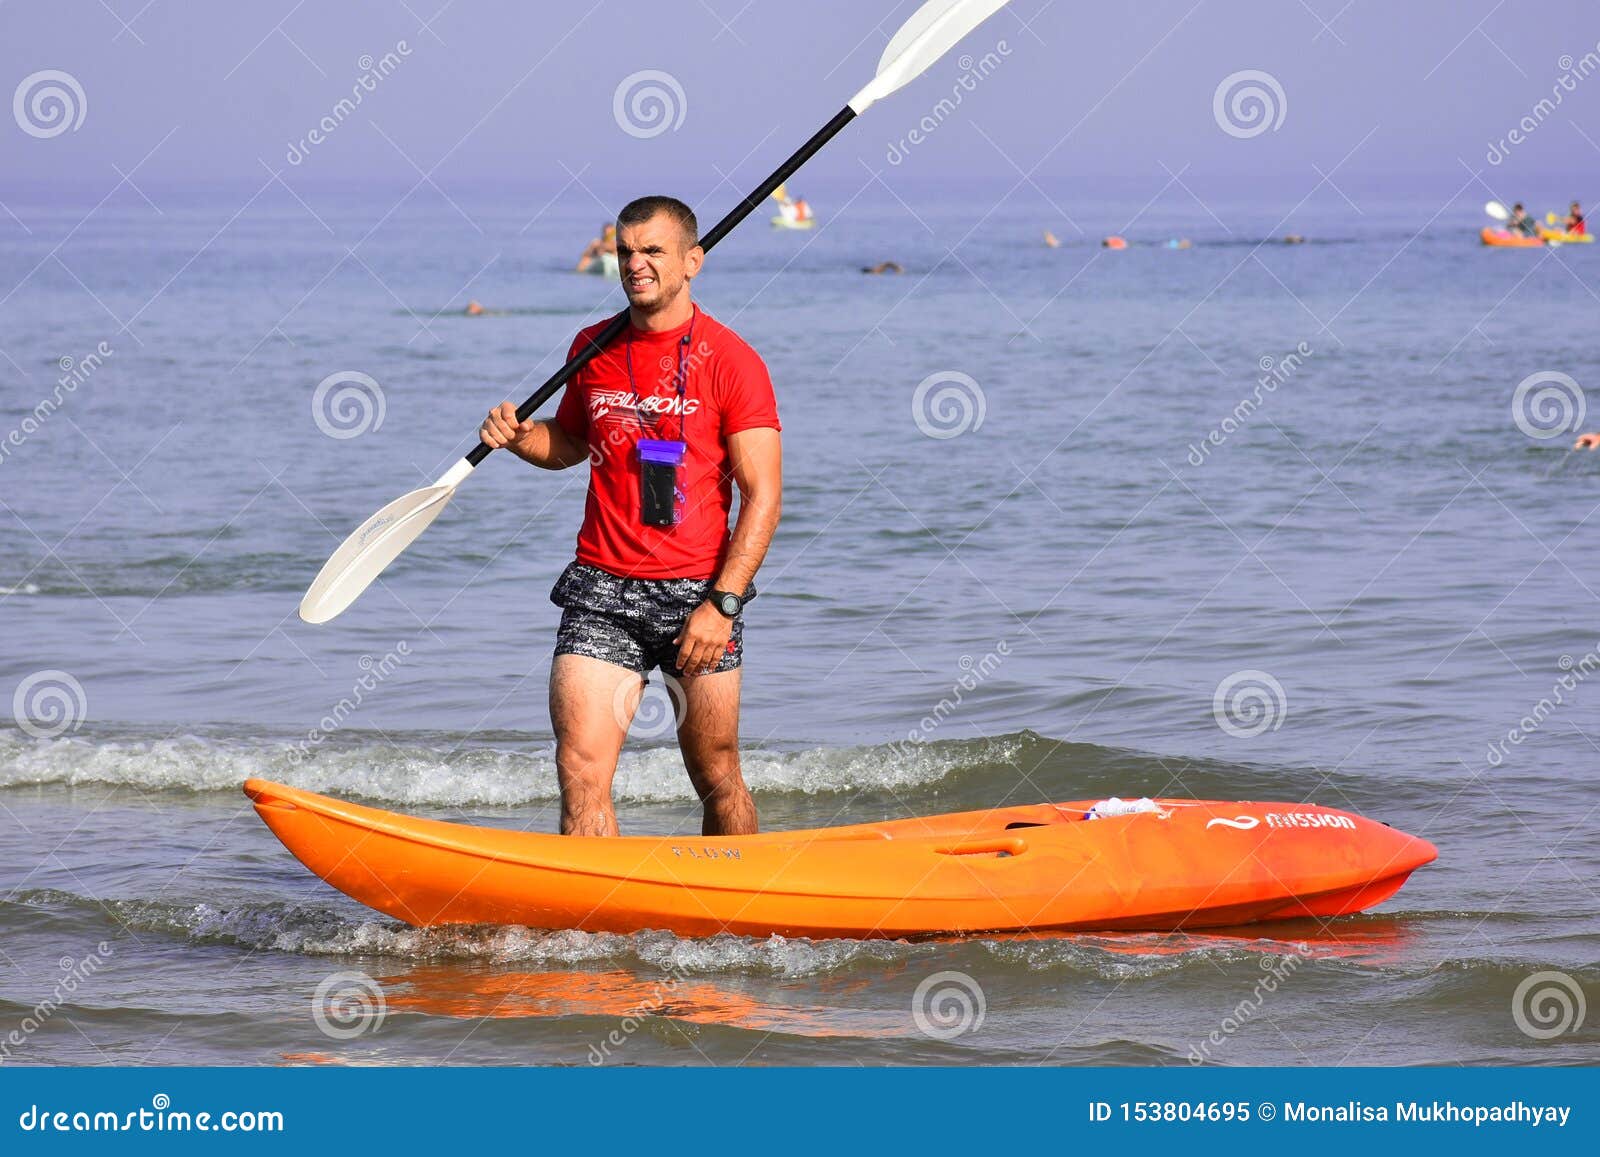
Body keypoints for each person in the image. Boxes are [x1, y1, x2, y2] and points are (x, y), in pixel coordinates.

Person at [480, 196, 782, 838]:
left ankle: (745, 921)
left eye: (653, 251)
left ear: (692, 260)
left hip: (698, 593)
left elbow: (763, 496)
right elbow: (567, 444)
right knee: (580, 769)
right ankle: (592, 931)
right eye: (625, 251)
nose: (635, 264)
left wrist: (721, 606)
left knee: (718, 772)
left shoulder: (733, 361)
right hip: (602, 587)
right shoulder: (592, 346)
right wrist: (519, 435)